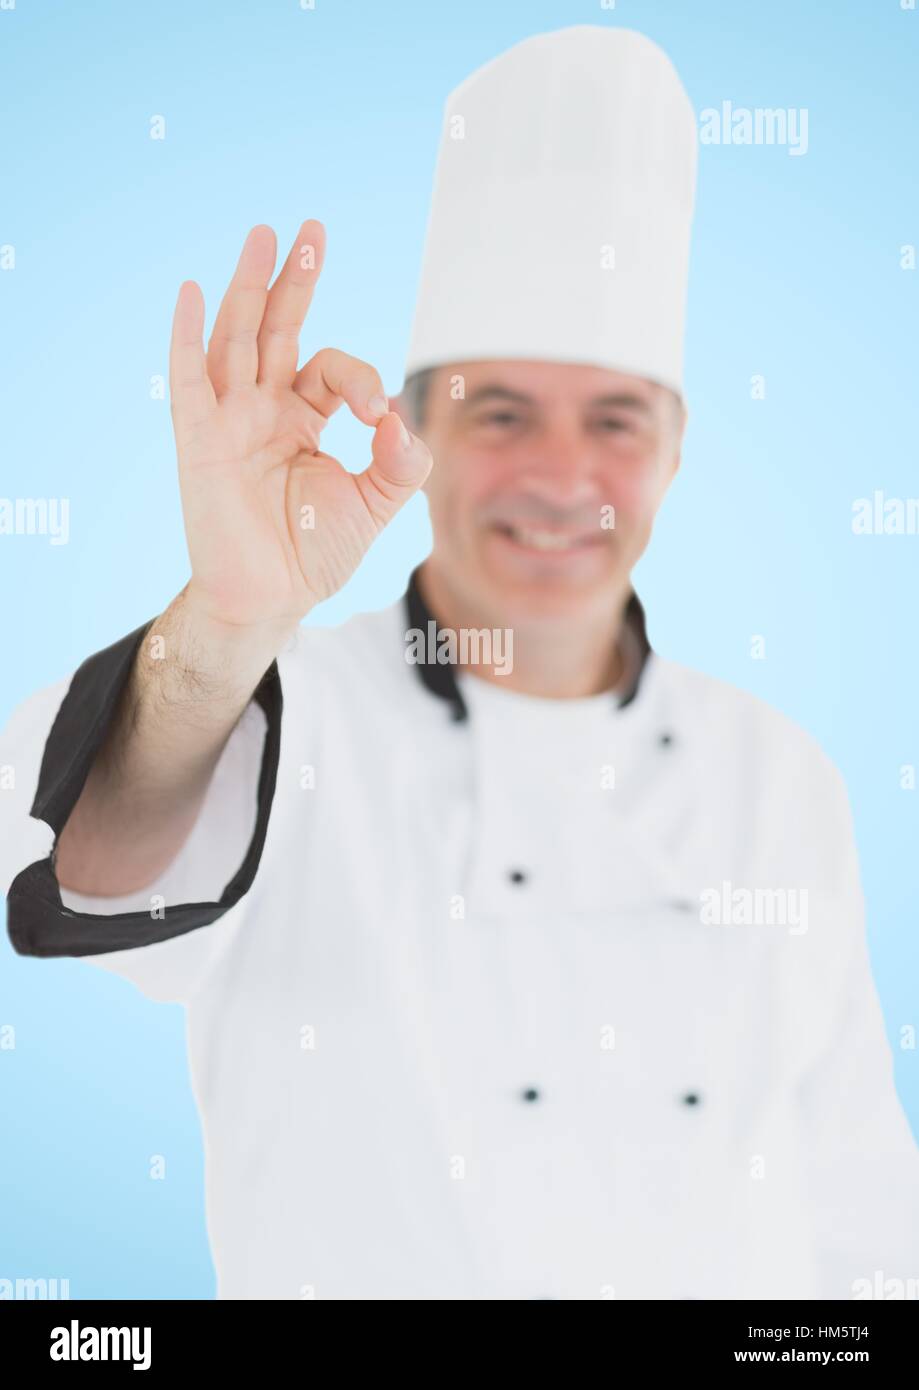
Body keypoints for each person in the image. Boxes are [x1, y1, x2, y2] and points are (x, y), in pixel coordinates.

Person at [3, 25, 919, 1301]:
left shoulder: (781, 780)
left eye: (614, 419)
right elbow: (76, 873)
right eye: (501, 413)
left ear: (674, 448)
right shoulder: (287, 714)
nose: (560, 476)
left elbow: (865, 1237)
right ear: (415, 423)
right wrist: (225, 617)